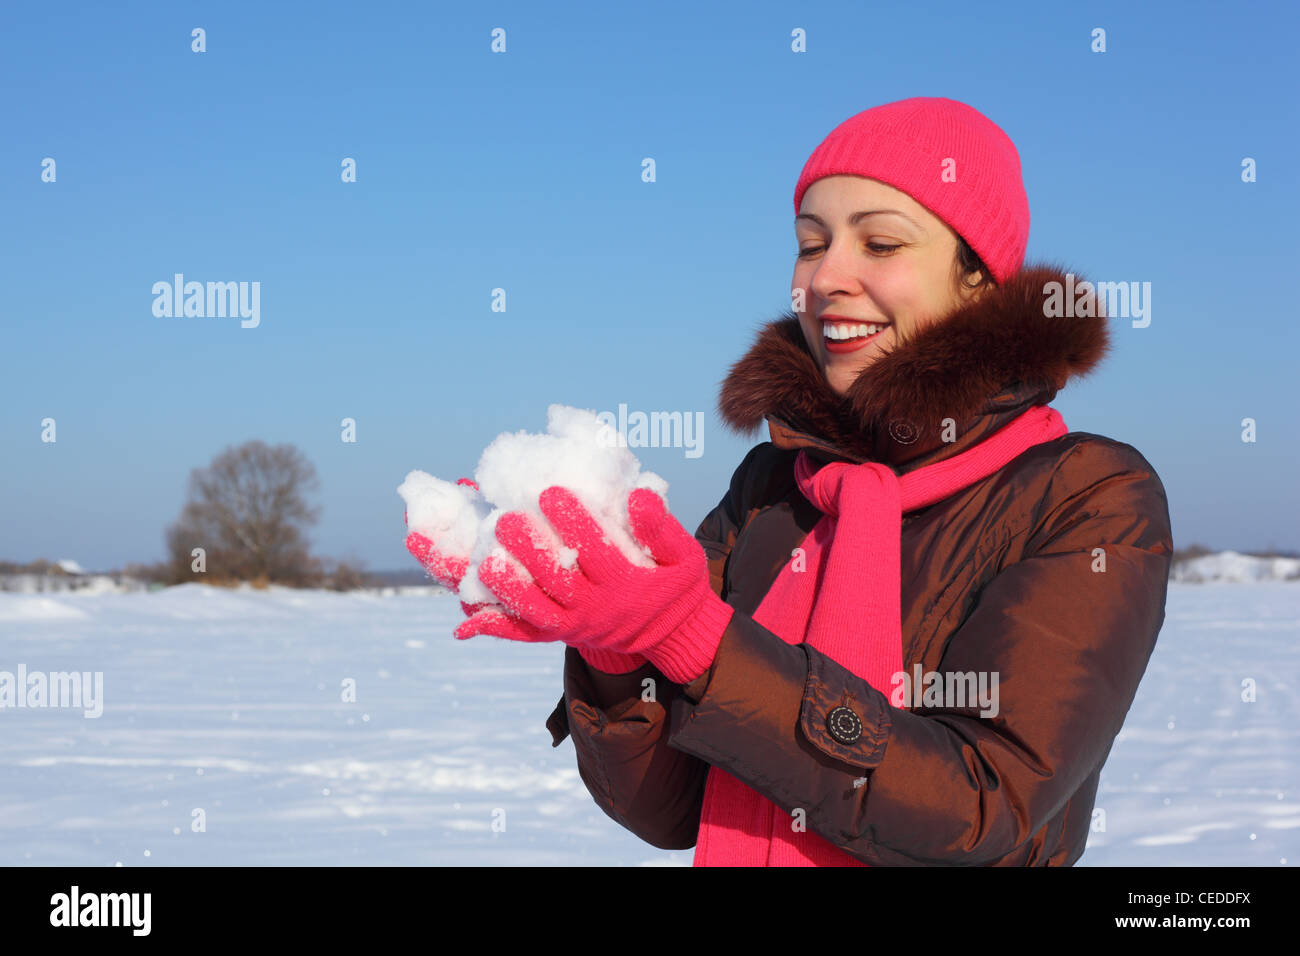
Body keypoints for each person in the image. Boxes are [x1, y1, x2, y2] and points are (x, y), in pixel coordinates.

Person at [410, 97, 1174, 866]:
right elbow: (673, 812)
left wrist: (695, 643)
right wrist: (617, 656)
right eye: (812, 244)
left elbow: (982, 805)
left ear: (977, 277)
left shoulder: (1088, 494)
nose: (826, 277)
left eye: (879, 243)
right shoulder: (774, 482)